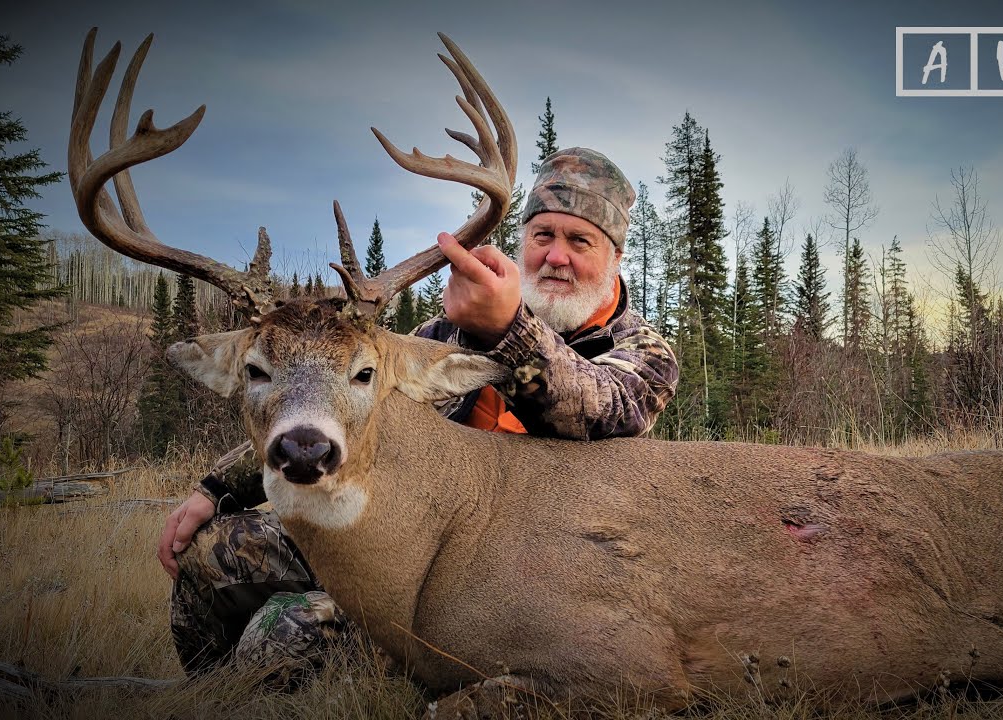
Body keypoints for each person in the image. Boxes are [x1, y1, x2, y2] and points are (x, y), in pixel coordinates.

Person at [161, 148, 680, 683]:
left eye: (580, 241)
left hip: (517, 572)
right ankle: (195, 695)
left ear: (616, 256)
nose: (556, 257)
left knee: (282, 636)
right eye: (543, 235)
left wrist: (508, 331)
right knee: (211, 553)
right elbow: (341, 405)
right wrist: (216, 487)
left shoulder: (643, 353)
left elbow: (598, 414)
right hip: (387, 526)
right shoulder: (443, 336)